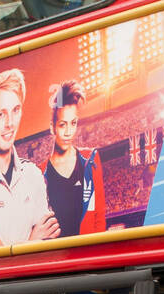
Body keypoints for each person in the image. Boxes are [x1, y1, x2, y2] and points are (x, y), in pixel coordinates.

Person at [0, 68, 60, 248]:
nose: (10, 123)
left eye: (15, 110)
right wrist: (32, 242)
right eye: (1, 114)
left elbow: (49, 241)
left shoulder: (33, 174)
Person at [41, 81, 105, 238]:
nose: (69, 132)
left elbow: (100, 216)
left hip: (88, 254)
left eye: (73, 123)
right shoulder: (40, 173)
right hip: (58, 258)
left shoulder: (91, 159)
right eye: (63, 125)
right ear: (52, 127)